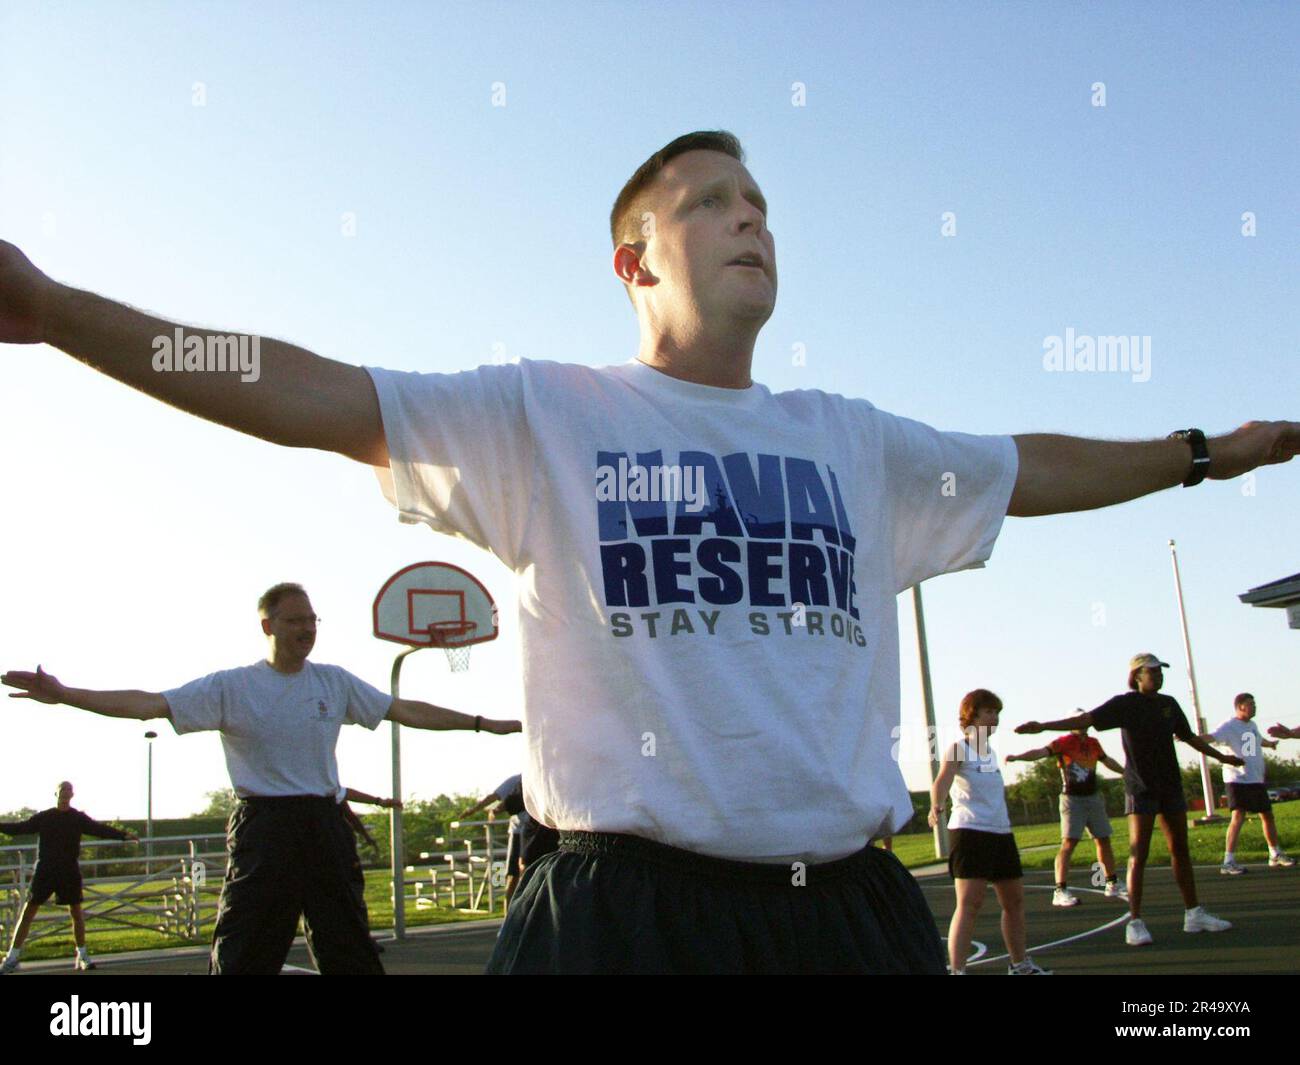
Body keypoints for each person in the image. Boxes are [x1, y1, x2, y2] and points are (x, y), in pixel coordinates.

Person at [1, 131, 1297, 973]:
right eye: (711, 203)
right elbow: (300, 386)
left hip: (851, 918)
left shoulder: (849, 439)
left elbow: (1034, 464)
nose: (750, 220)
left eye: (761, 205)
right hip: (620, 918)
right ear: (634, 260)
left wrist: (1203, 451)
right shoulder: (543, 415)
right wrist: (59, 310)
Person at [1, 583, 520, 975]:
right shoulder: (232, 687)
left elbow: (403, 709)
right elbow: (148, 704)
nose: (307, 629)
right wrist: (67, 694)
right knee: (245, 951)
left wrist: (481, 723)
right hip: (265, 828)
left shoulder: (334, 682)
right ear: (268, 626)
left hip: (324, 825)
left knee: (350, 950)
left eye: (313, 620)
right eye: (295, 620)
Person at [1017, 653, 1243, 947]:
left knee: (1181, 850)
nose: (1158, 676)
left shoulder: (1169, 704)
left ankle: (1194, 914)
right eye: (1152, 672)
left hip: (1169, 785)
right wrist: (1044, 726)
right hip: (1141, 788)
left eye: (1160, 672)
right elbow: (1085, 719)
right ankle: (1135, 922)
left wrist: (1223, 757)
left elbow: (1189, 737)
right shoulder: (1125, 704)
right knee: (1139, 853)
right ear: (1137, 676)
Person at [929, 689, 1050, 976]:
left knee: (1014, 902)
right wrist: (936, 805)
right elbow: (942, 780)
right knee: (970, 905)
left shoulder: (991, 753)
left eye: (996, 713)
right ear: (971, 716)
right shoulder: (959, 749)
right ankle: (957, 971)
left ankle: (1019, 965)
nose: (994, 718)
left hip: (1000, 833)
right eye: (988, 712)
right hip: (970, 832)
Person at [0, 781, 139, 974]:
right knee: (29, 911)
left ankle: (82, 955)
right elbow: (20, 828)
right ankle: (12, 957)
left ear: (72, 794)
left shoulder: (78, 818)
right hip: (45, 870)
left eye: (68, 790)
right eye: (62, 790)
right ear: (55, 793)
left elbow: (99, 829)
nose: (65, 793)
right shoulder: (45, 817)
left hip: (69, 870)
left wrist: (123, 835)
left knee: (76, 912)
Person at [1006, 724, 1127, 905]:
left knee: (1103, 839)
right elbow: (1040, 752)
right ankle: (1060, 890)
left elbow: (1106, 760)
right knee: (1069, 843)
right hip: (1072, 799)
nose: (1082, 725)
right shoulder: (1063, 742)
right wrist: (1018, 757)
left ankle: (1112, 882)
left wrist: (1125, 772)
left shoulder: (1093, 743)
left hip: (1092, 797)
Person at [1203, 694, 1294, 873]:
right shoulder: (1229, 726)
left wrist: (1270, 744)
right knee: (1238, 816)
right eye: (1251, 704)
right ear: (1240, 707)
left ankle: (1274, 854)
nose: (1254, 706)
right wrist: (1190, 737)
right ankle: (1228, 862)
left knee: (1267, 815)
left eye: (1254, 703)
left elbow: (1255, 743)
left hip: (1255, 779)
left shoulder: (1251, 726)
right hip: (1237, 779)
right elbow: (1212, 737)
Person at [340, 787, 402, 852]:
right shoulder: (334, 793)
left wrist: (367, 837)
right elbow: (351, 817)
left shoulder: (336, 794)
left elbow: (351, 817)